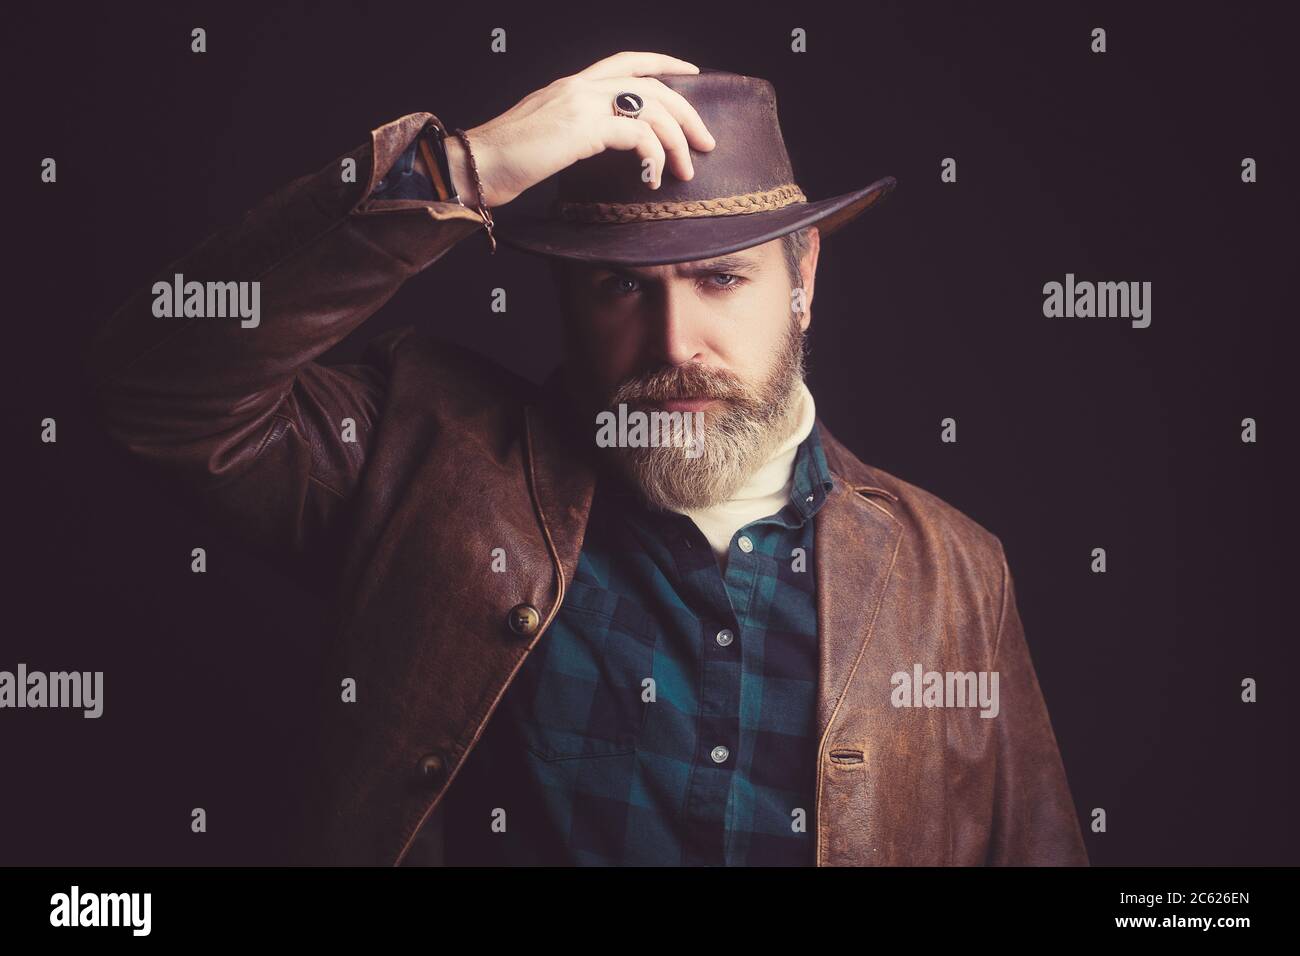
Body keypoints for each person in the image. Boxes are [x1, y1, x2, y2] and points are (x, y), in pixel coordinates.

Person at [84, 51, 1088, 866]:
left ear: (802, 278)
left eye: (721, 278)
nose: (673, 342)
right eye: (621, 288)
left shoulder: (954, 571)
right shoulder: (424, 454)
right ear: (564, 298)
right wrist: (461, 170)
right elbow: (160, 389)